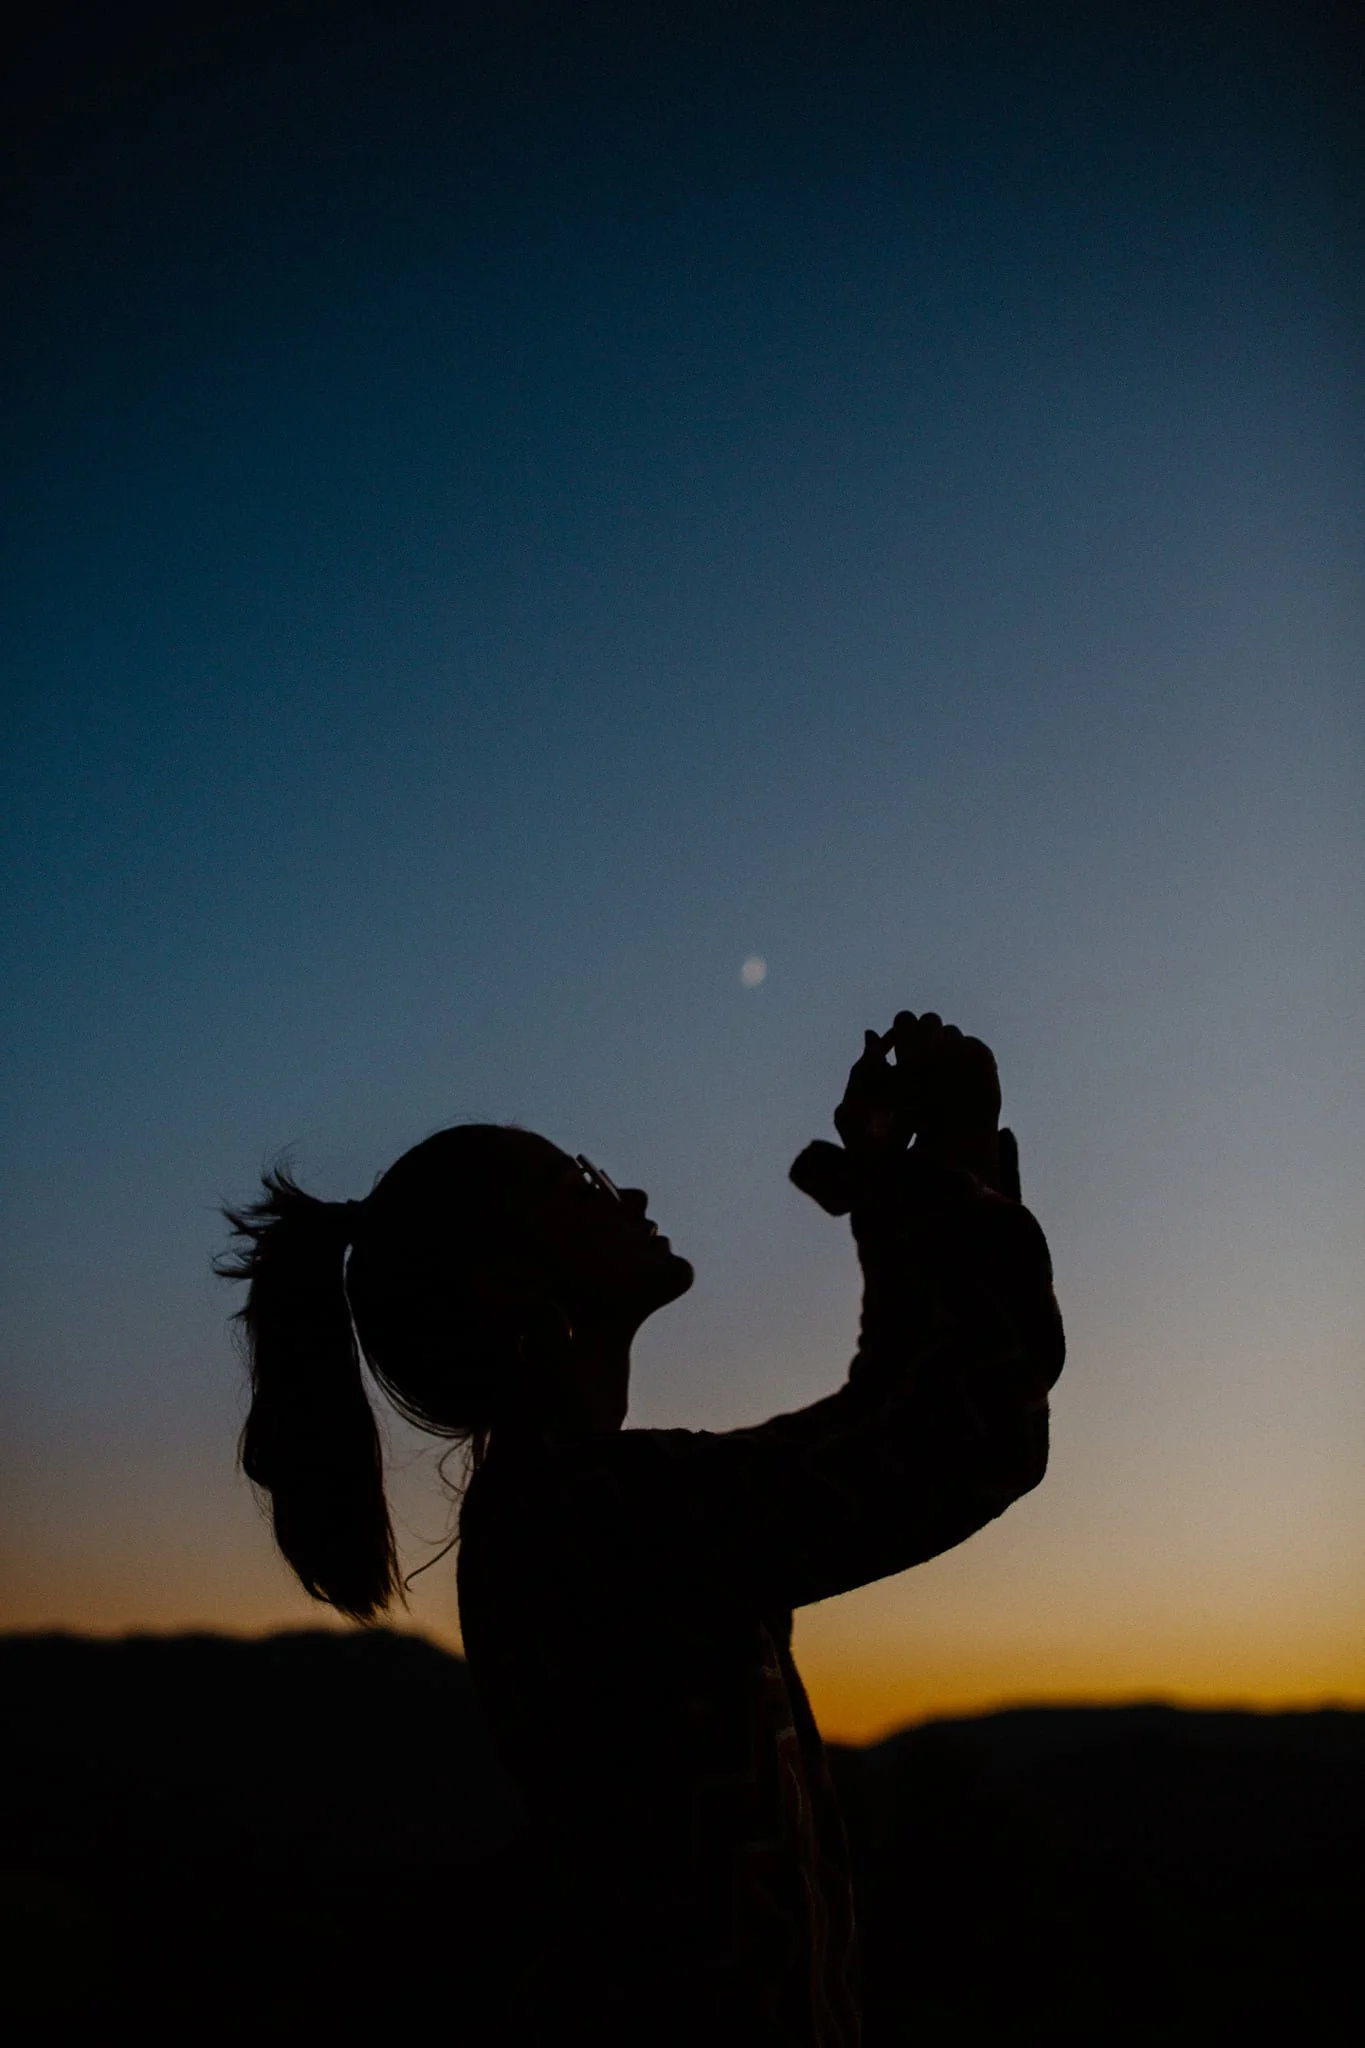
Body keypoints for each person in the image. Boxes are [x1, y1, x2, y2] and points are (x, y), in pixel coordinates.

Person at [220, 1010, 1064, 2046]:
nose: (631, 1193)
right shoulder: (591, 1513)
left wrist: (916, 1181)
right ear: (512, 1282)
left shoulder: (578, 1503)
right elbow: (962, 1437)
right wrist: (945, 1175)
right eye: (578, 1183)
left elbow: (890, 1420)